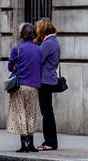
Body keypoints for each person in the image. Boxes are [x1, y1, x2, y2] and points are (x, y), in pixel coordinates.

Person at [6, 22, 42, 152]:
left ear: (22, 34)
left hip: (19, 85)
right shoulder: (39, 49)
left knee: (20, 113)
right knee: (31, 113)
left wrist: (16, 66)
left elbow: (10, 66)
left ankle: (24, 143)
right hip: (34, 85)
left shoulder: (17, 49)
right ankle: (31, 143)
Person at [34, 17, 61, 151]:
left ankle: (50, 142)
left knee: (47, 112)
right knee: (47, 111)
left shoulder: (48, 43)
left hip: (45, 81)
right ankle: (50, 141)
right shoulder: (52, 41)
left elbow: (38, 59)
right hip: (48, 80)